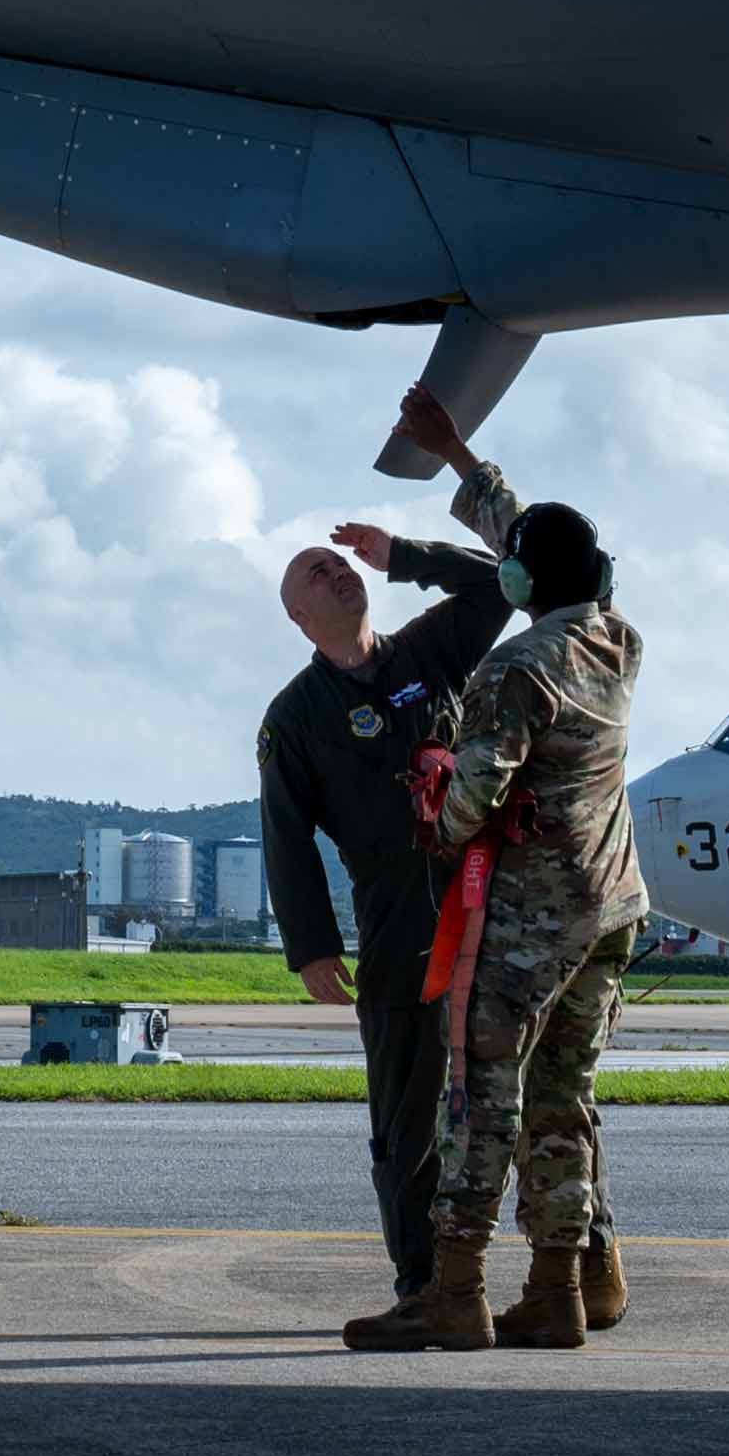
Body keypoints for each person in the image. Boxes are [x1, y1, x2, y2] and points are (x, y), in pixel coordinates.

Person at [342, 391, 646, 1355]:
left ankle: (458, 1289)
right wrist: (459, 454)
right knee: (564, 1096)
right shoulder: (615, 639)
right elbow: (541, 546)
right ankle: (564, 1287)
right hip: (613, 905)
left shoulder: (516, 670)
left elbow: (470, 807)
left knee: (479, 1095)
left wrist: (433, 787)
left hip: (527, 919)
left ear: (521, 581)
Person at [252, 517, 510, 1336]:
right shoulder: (294, 716)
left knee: (533, 1094)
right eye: (315, 574)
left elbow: (496, 585)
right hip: (398, 918)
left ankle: (572, 1271)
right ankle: (423, 1284)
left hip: (491, 897)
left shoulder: (426, 652)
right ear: (297, 618)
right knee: (406, 1112)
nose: (335, 574)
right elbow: (284, 834)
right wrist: (313, 947)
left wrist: (404, 556)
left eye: (337, 564)